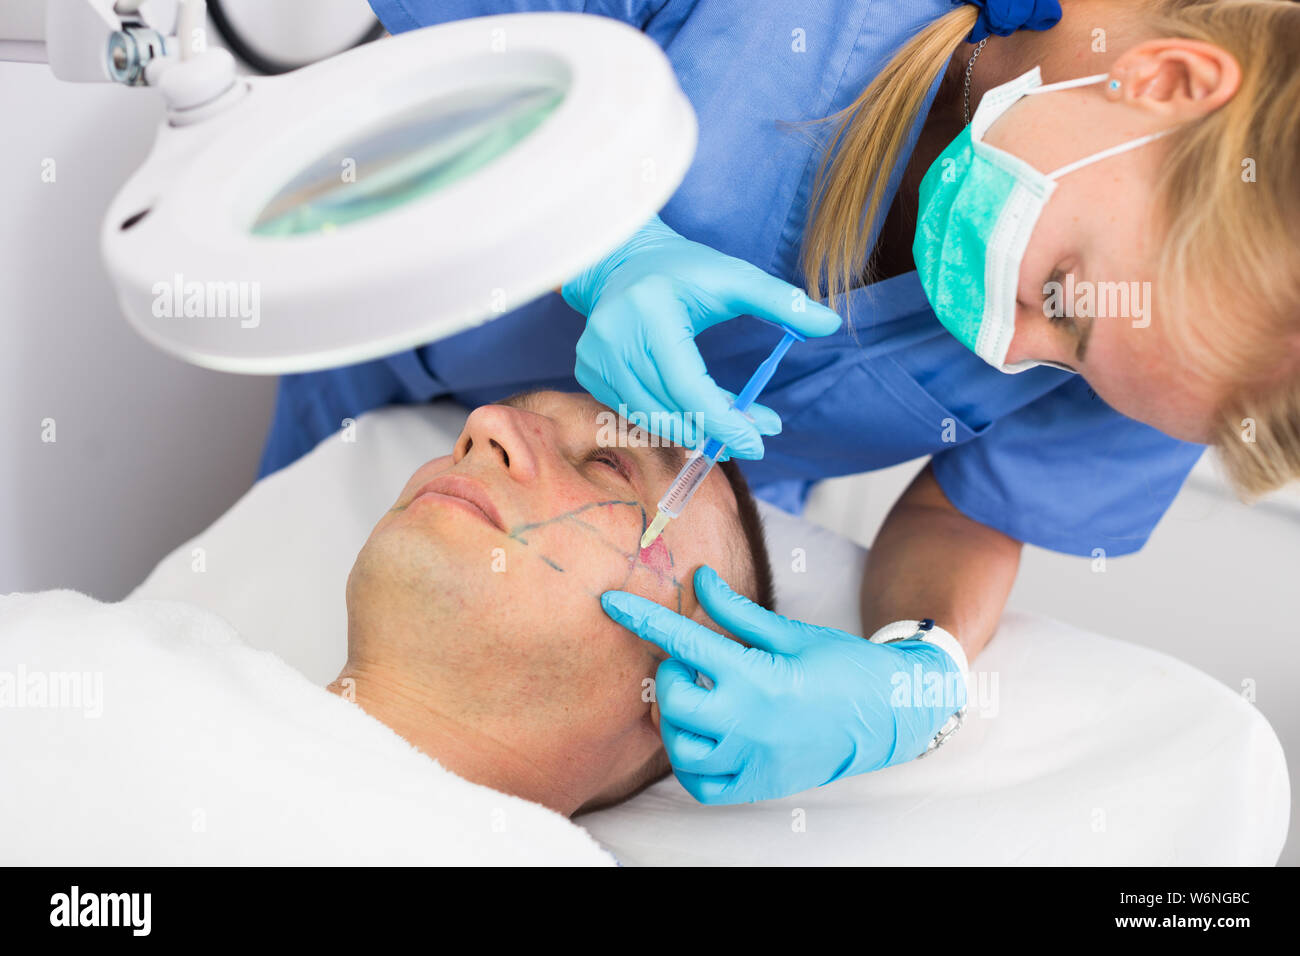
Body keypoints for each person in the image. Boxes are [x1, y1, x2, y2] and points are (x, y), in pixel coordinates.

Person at [260, 0, 1300, 803]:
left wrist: (921, 672)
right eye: (1065, 298)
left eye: (1066, 367)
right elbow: (468, 41)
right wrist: (607, 242)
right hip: (371, 324)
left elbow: (972, 514)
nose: (1005, 350)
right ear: (1166, 80)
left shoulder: (1187, 358)